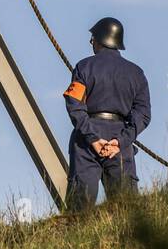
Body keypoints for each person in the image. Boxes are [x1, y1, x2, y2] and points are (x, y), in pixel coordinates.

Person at [62, 17, 151, 210]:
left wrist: (93, 138)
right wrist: (120, 141)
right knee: (126, 210)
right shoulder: (136, 73)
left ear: (100, 39)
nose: (91, 42)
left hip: (86, 142)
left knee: (78, 211)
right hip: (120, 142)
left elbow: (74, 104)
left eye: (92, 39)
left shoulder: (84, 67)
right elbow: (143, 114)